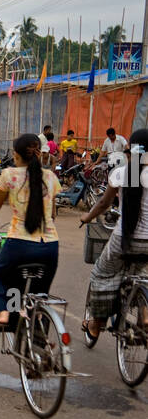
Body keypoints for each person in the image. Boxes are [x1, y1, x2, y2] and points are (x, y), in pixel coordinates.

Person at [0, 132, 61, 328]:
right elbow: (52, 214)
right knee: (39, 294)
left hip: (19, 244)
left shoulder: (10, 175)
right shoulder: (50, 177)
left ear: (16, 155)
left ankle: (4, 315)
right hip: (50, 246)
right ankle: (40, 341)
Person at [81, 126, 148, 342]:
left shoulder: (122, 173)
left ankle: (96, 323)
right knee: (143, 276)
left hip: (125, 239)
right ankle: (145, 317)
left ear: (132, 151)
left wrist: (87, 218)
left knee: (102, 274)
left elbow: (103, 203)